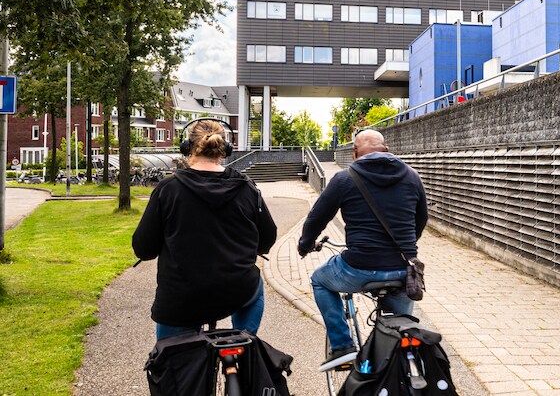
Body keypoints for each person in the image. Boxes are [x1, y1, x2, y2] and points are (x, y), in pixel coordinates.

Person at [132, 119, 277, 339]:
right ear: (225, 149)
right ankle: (245, 352)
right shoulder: (246, 188)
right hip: (237, 289)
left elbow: (144, 249)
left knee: (171, 360)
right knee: (253, 290)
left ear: (187, 148)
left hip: (182, 297)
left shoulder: (168, 189)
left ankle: (176, 365)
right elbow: (268, 239)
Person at [297, 129, 428, 370]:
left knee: (319, 280)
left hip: (359, 267)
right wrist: (404, 250)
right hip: (404, 270)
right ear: (386, 149)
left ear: (356, 154)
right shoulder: (412, 176)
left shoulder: (345, 179)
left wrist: (305, 245)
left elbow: (317, 219)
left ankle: (342, 347)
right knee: (401, 332)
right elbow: (421, 220)